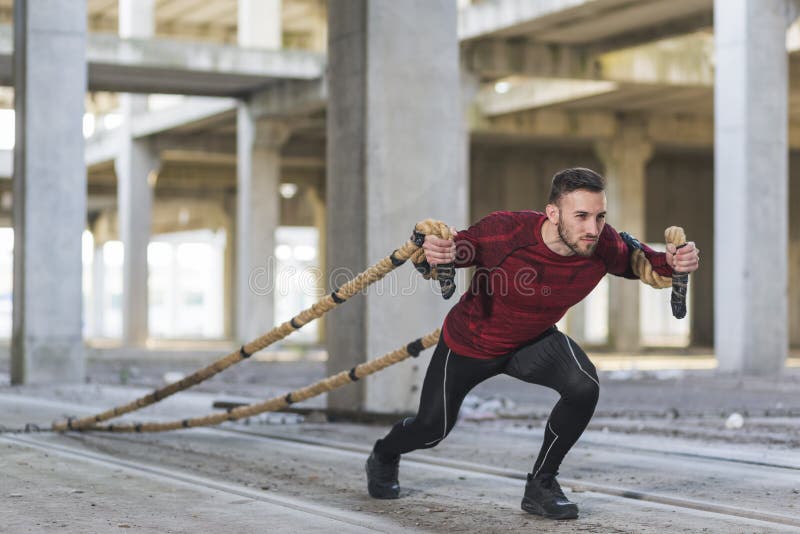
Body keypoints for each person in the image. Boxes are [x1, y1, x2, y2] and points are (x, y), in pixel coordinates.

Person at [365, 167, 700, 519]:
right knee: (431, 430)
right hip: (471, 344)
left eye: (600, 216)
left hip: (532, 342)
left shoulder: (602, 244)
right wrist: (436, 250)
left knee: (583, 386)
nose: (592, 228)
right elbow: (457, 249)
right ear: (553, 214)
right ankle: (384, 455)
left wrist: (674, 261)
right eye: (581, 216)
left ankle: (541, 484)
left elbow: (640, 263)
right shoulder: (506, 231)